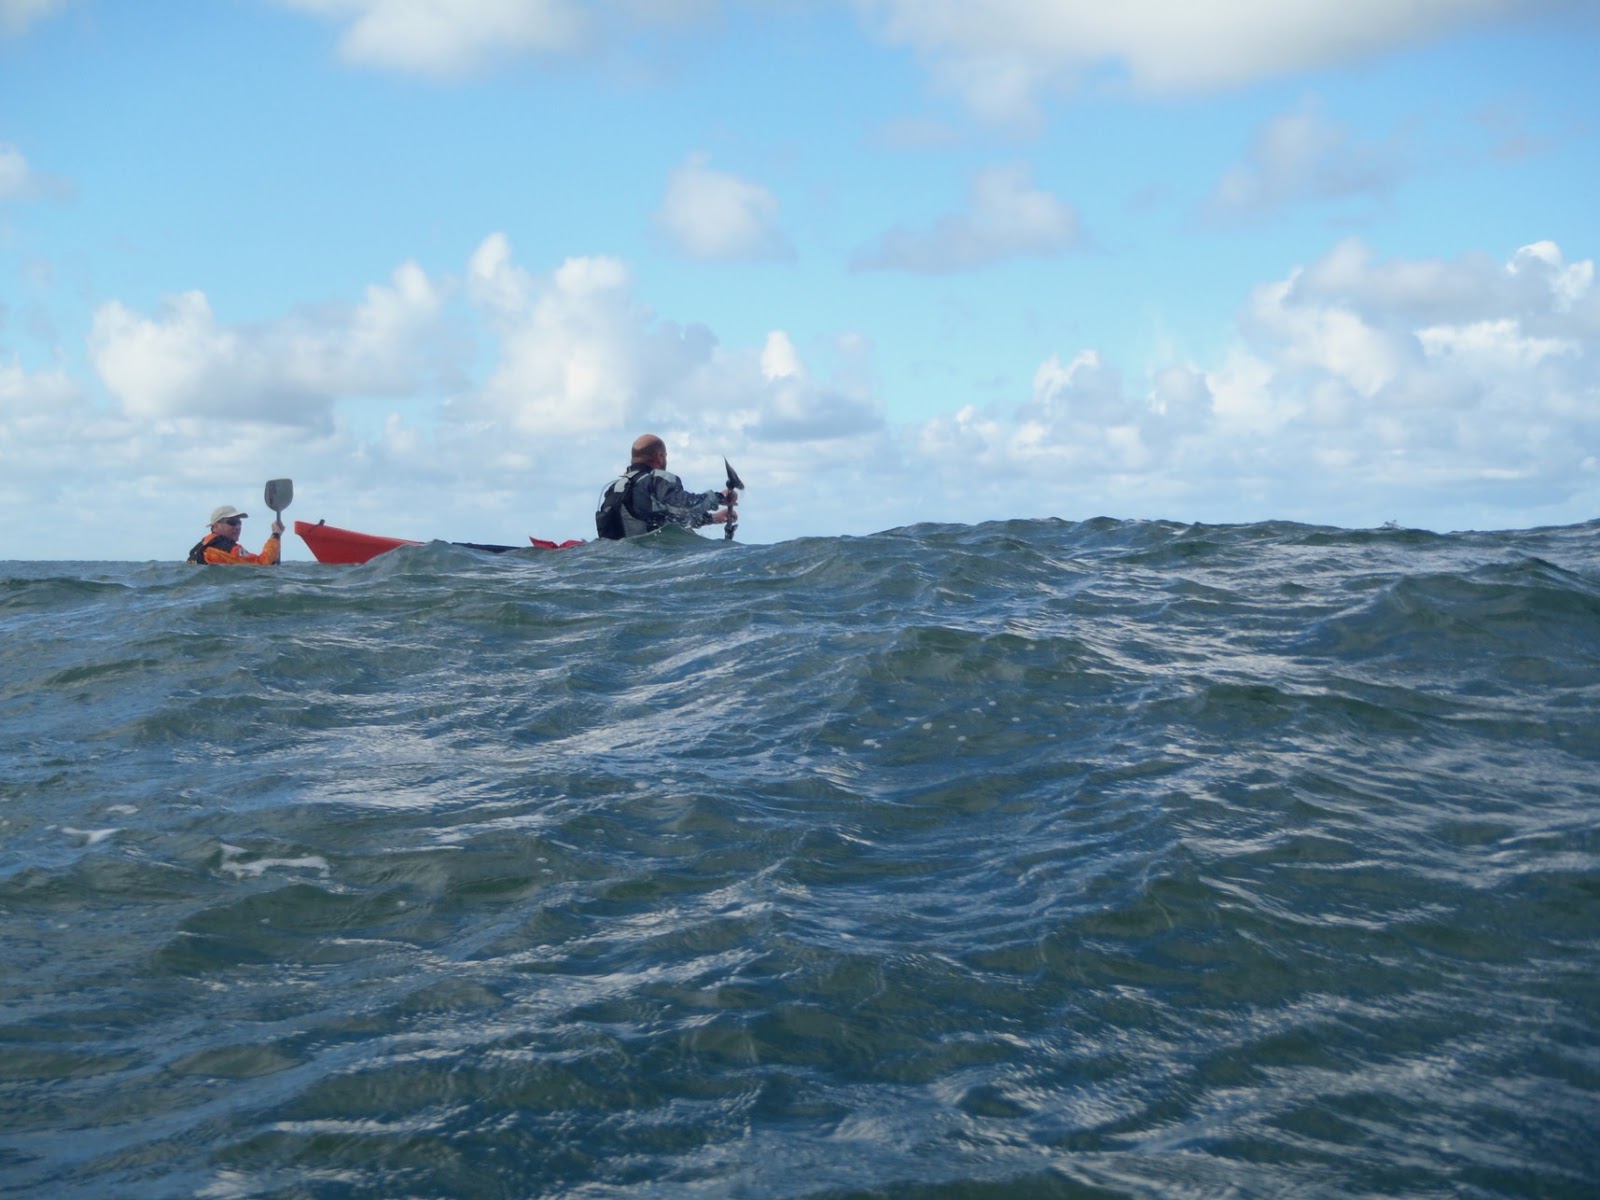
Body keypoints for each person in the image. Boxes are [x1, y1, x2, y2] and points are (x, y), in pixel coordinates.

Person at [595, 434, 735, 540]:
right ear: (660, 456)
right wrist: (720, 497)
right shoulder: (657, 479)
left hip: (618, 562)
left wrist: (712, 518)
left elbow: (662, 519)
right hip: (649, 560)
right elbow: (685, 506)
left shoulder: (613, 489)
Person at [187, 504, 284, 565]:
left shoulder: (199, 547)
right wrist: (275, 535)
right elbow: (263, 563)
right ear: (216, 526)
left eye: (239, 522)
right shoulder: (230, 549)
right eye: (232, 522)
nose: (238, 527)